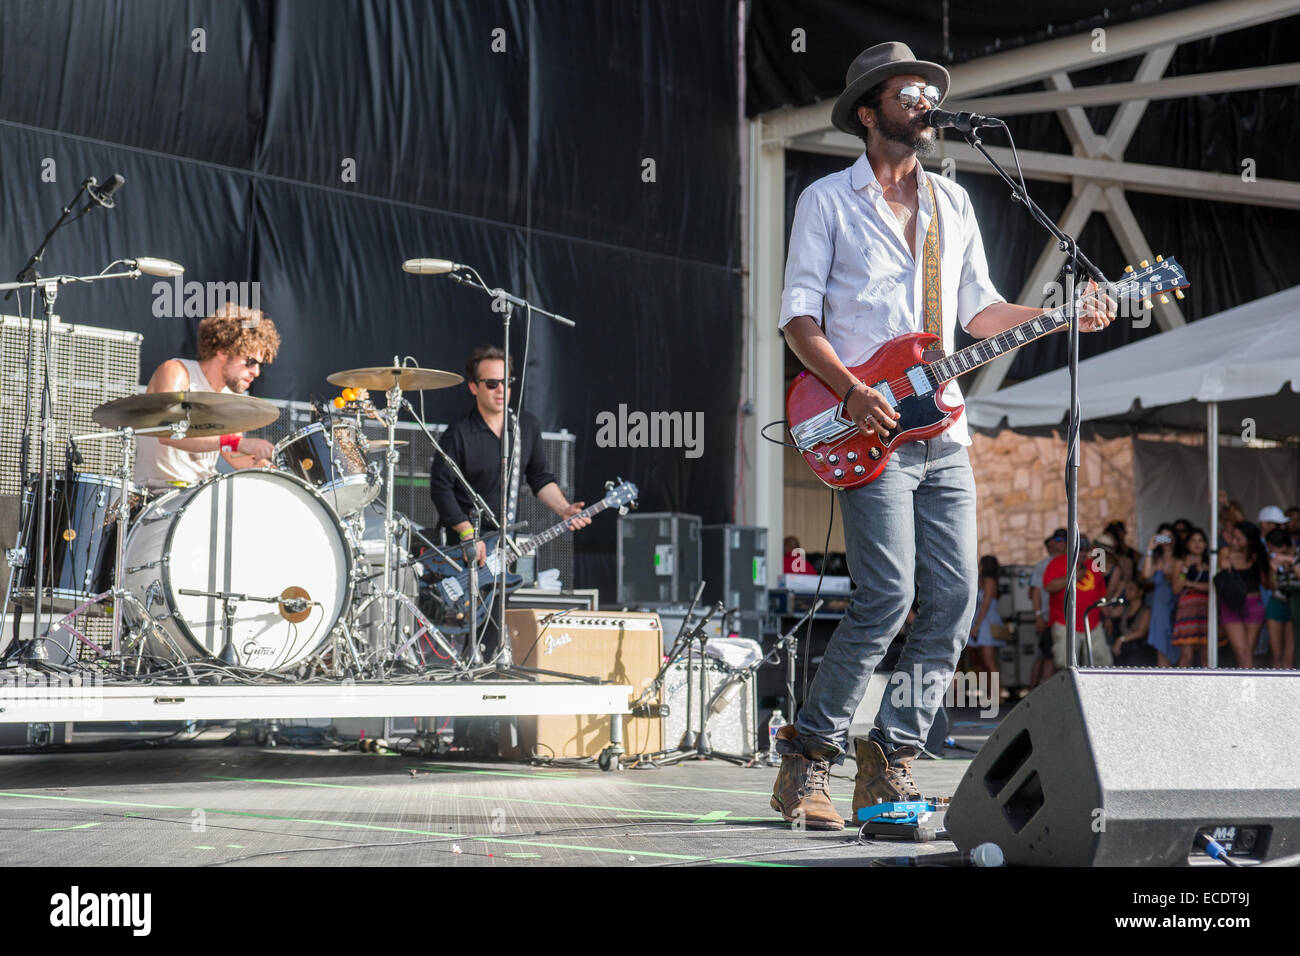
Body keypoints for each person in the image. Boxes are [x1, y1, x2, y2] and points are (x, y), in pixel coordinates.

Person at [768, 42, 1118, 830]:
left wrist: (1061, 311)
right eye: (907, 91)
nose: (924, 99)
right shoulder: (827, 200)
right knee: (886, 596)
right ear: (870, 110)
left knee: (955, 600)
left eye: (930, 89)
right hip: (868, 421)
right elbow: (798, 318)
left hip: (944, 428)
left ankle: (890, 755)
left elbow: (981, 314)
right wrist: (853, 391)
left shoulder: (953, 204)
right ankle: (808, 760)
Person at [428, 345, 590, 572]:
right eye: (492, 384)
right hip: (464, 547)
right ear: (474, 387)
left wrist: (564, 509)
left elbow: (540, 478)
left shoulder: (526, 426)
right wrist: (467, 533)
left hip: (505, 548)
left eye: (507, 382)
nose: (501, 390)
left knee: (501, 607)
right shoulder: (458, 434)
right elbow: (440, 488)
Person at [134, 303, 279, 491]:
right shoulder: (176, 372)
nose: (256, 372)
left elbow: (234, 455)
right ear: (223, 350)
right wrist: (240, 442)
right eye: (250, 362)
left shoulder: (231, 398)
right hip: (157, 494)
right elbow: (168, 433)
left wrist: (274, 470)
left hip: (201, 495)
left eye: (260, 365)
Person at [1043, 534, 1112, 667]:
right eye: (1080, 550)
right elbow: (1049, 586)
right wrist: (1073, 577)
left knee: (1101, 663)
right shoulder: (1057, 563)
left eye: (1086, 550)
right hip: (1065, 623)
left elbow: (1100, 593)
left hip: (1092, 623)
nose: (1083, 553)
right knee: (1066, 665)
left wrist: (1107, 617)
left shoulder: (1093, 565)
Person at [1218, 520, 1269, 668]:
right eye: (1233, 537)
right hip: (1231, 604)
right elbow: (1223, 569)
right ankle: (1247, 686)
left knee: (1248, 652)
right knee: (1241, 652)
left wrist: (1270, 568)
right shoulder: (1225, 552)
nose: (1234, 541)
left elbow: (1267, 584)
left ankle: (1245, 685)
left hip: (1254, 604)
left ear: (1250, 540)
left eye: (1238, 538)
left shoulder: (1257, 555)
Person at [1028, 528, 1066, 686]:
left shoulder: (1074, 562)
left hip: (1068, 618)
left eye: (1065, 539)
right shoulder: (1042, 565)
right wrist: (1038, 616)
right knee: (1047, 656)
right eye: (1058, 539)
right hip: (1048, 617)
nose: (1062, 543)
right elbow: (1034, 593)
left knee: (1058, 657)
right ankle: (1037, 691)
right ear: (1052, 542)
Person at [1171, 527, 1212, 667]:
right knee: (1186, 656)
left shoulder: (1211, 563)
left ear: (1206, 544)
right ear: (1187, 544)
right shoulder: (1180, 563)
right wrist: (1186, 568)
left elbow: (1212, 588)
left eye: (1200, 540)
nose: (1197, 544)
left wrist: (1189, 583)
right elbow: (1176, 588)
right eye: (1193, 541)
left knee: (1207, 655)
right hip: (1187, 613)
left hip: (1207, 611)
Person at [967, 555, 1006, 705]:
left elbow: (985, 605)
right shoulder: (982, 581)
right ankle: (988, 692)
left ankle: (996, 693)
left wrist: (976, 625)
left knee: (988, 661)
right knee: (980, 661)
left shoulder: (989, 581)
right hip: (980, 621)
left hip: (985, 621)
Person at [1141, 523, 1180, 666]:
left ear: (1175, 539)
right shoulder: (1157, 560)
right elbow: (1146, 574)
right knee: (1162, 649)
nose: (1166, 541)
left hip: (1177, 605)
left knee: (1180, 649)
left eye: (1169, 537)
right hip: (1160, 609)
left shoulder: (1180, 559)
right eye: (1162, 537)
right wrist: (1150, 549)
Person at [1264, 527, 1297, 668]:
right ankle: (1275, 686)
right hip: (1277, 602)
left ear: (1283, 546)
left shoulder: (1297, 554)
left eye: (1272, 548)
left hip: (1295, 605)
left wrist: (1289, 560)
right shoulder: (1273, 559)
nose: (1271, 552)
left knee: (1289, 654)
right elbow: (1271, 586)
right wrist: (1273, 570)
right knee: (1276, 654)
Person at [1107, 578, 1155, 666]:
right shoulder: (1124, 608)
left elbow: (1141, 632)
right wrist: (1119, 592)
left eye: (1131, 588)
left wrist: (1121, 639)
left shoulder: (1146, 611)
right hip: (1122, 650)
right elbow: (1109, 611)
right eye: (1126, 589)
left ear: (1140, 592)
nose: (1127, 591)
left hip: (1138, 650)